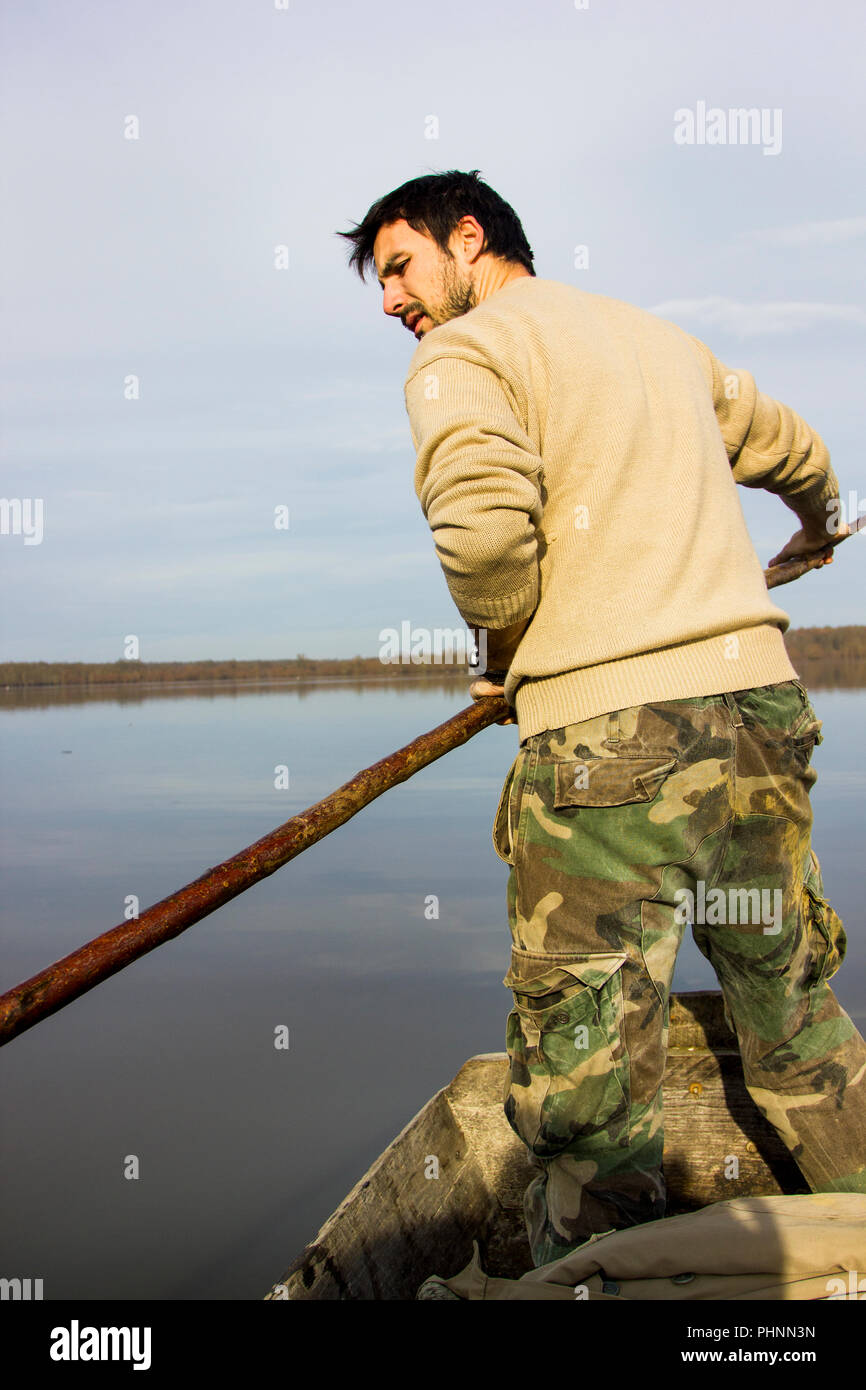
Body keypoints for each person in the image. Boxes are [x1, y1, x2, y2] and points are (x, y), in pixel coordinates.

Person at [337, 170, 866, 1267]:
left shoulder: (463, 355)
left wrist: (502, 657)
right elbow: (796, 451)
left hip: (608, 747)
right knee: (796, 1027)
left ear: (467, 238)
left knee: (591, 1104)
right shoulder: (660, 344)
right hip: (762, 722)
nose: (391, 302)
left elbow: (484, 545)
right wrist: (815, 528)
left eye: (397, 268)